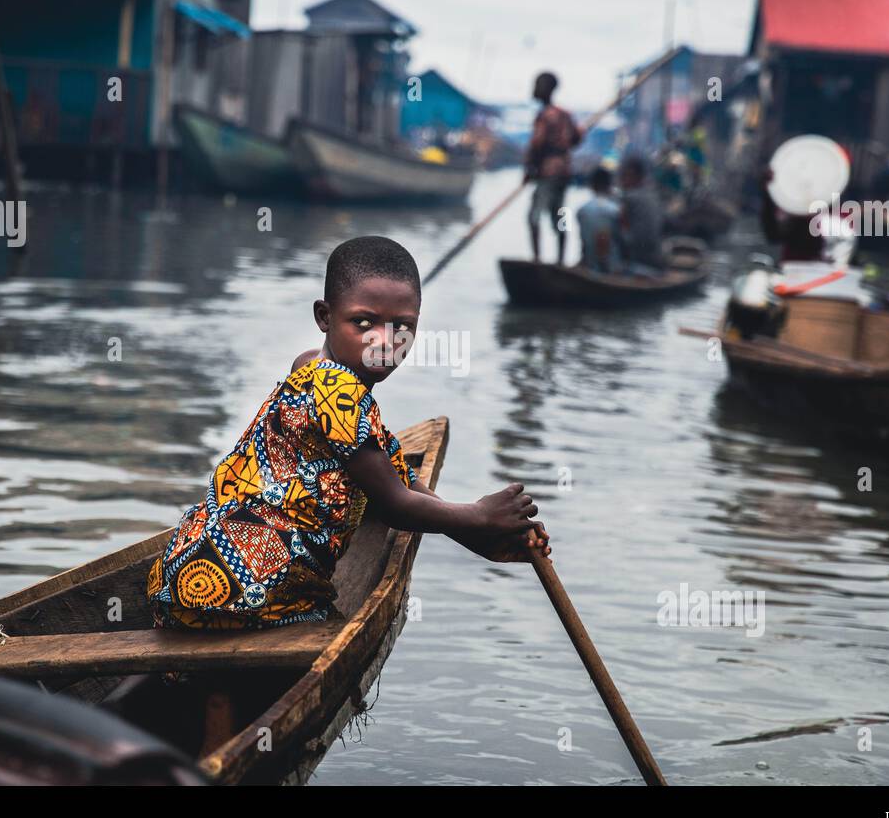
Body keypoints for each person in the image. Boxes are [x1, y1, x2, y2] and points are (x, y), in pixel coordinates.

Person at [147, 236, 550, 631]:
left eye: (402, 327)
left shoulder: (309, 366)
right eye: (363, 323)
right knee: (330, 623)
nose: (383, 342)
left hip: (185, 577)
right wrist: (479, 514)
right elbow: (393, 503)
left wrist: (478, 534)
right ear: (324, 316)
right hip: (244, 593)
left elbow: (391, 475)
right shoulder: (341, 393)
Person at [524, 72, 582, 263]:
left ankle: (537, 259)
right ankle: (561, 260)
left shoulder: (544, 116)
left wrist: (528, 170)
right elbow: (576, 139)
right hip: (564, 173)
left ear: (545, 89)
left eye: (536, 85)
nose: (534, 89)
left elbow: (537, 145)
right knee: (561, 215)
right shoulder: (566, 115)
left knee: (534, 217)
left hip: (548, 173)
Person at [617, 155, 665, 275]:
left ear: (636, 177)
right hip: (657, 260)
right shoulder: (653, 196)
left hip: (637, 260)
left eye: (625, 177)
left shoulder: (628, 197)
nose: (622, 181)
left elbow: (620, 227)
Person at [575, 167, 621, 273]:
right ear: (609, 185)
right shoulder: (616, 210)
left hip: (590, 266)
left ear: (592, 186)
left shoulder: (582, 210)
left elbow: (584, 243)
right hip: (613, 268)